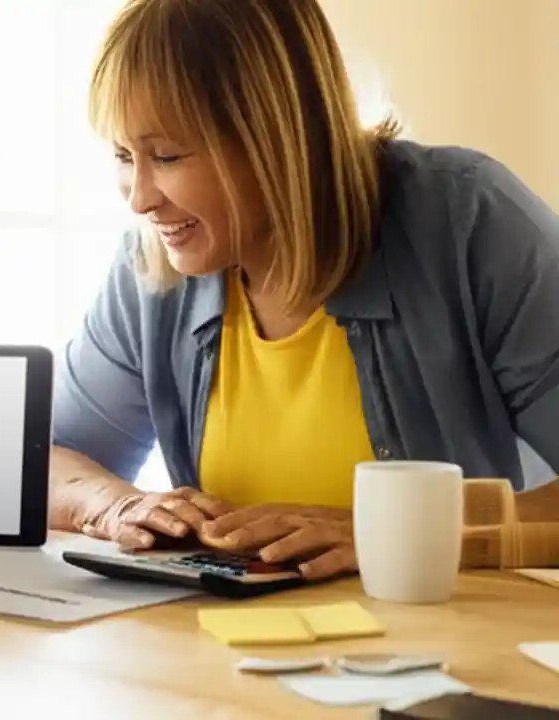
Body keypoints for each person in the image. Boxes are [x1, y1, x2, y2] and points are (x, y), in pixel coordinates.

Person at [48, 0, 559, 579]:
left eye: (166, 156)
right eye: (123, 155)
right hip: (228, 652)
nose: (138, 198)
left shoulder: (466, 221)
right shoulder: (154, 264)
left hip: (450, 651)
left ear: (273, 136)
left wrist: (397, 531)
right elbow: (48, 459)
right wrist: (117, 506)